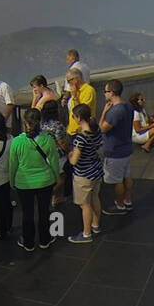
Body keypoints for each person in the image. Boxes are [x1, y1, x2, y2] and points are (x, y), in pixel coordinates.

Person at [4, 109, 60, 250]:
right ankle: (44, 240)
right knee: (44, 211)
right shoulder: (48, 139)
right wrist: (56, 178)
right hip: (45, 181)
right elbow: (54, 162)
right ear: (40, 121)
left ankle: (28, 242)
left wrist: (12, 181)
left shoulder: (17, 142)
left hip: (24, 183)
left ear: (25, 122)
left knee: (27, 213)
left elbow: (13, 165)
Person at [62, 93, 103, 246]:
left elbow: (74, 161)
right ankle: (96, 225)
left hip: (83, 174)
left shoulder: (81, 138)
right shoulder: (96, 131)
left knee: (84, 204)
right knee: (95, 198)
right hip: (96, 170)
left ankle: (86, 233)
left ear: (78, 118)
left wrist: (70, 153)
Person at [98, 80, 137, 218]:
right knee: (127, 176)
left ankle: (120, 204)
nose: (104, 94)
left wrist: (103, 112)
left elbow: (102, 128)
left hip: (115, 151)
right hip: (126, 148)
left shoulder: (115, 111)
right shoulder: (128, 106)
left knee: (117, 180)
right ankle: (128, 200)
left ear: (111, 93)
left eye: (106, 91)